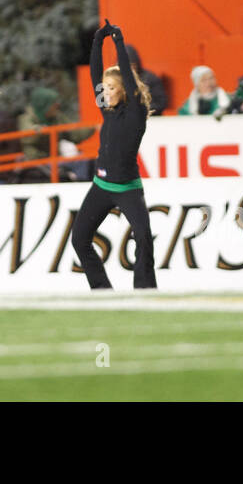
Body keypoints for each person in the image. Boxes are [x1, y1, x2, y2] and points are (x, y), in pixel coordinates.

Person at [71, 21, 155, 289]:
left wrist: (118, 42)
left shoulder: (135, 112)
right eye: (104, 88)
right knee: (79, 238)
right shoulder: (106, 109)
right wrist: (98, 41)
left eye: (111, 88)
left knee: (143, 237)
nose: (105, 93)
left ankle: (145, 290)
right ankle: (102, 290)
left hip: (127, 188)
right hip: (101, 186)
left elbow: (130, 82)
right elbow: (95, 73)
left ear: (123, 91)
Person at [125, 45, 168, 116]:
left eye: (132, 65)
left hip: (151, 119)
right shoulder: (116, 80)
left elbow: (161, 103)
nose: (130, 69)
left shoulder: (151, 79)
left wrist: (142, 109)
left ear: (137, 64)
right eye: (126, 65)